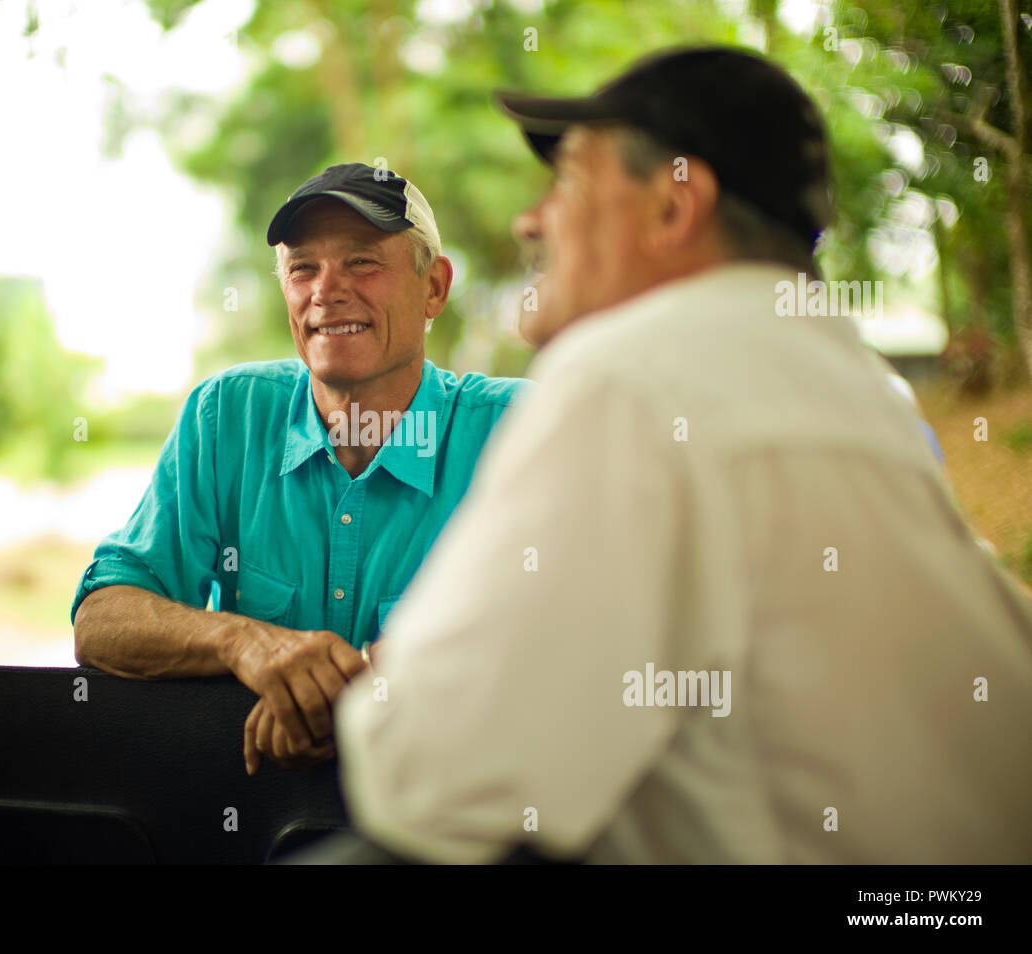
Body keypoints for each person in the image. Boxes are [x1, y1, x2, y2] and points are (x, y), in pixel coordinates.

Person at [332, 46, 1032, 863]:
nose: (532, 220)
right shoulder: (862, 388)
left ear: (673, 207)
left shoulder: (636, 372)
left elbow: (423, 774)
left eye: (571, 182)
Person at [71, 162, 526, 776]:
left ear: (434, 288)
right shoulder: (225, 415)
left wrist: (389, 673)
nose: (326, 290)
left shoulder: (518, 428)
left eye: (363, 261)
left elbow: (599, 618)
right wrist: (246, 643)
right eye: (302, 267)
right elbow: (102, 620)